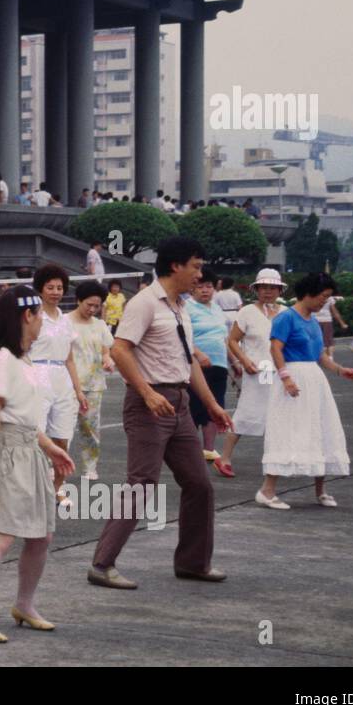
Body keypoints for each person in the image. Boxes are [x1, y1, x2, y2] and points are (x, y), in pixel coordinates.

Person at [88, 236, 231, 590]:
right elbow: (120, 351)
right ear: (175, 266)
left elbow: (188, 361)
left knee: (199, 485)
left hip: (178, 404)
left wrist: (212, 405)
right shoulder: (144, 303)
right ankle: (102, 564)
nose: (200, 275)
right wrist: (147, 393)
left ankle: (193, 562)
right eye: (195, 267)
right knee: (142, 484)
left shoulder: (179, 306)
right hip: (149, 405)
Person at [0, 287, 74, 642]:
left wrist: (50, 447)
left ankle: (25, 604)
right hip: (6, 452)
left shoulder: (24, 362)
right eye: (39, 314)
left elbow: (24, 417)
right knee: (2, 536)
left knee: (42, 534)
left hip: (29, 451)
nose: (42, 321)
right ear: (27, 316)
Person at [256, 273, 353, 510]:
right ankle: (267, 490)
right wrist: (285, 377)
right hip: (293, 379)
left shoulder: (313, 321)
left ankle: (321, 489)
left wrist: (340, 370)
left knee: (321, 428)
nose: (325, 302)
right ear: (309, 293)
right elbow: (275, 348)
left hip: (314, 380)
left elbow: (320, 355)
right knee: (288, 430)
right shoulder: (286, 318)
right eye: (323, 297)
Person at [25, 264, 90, 507]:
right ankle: (34, 490)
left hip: (61, 378)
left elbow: (70, 358)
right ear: (40, 289)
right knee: (36, 436)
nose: (55, 292)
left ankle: (57, 488)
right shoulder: (32, 315)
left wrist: (78, 390)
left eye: (60, 288)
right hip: (37, 375)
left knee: (62, 438)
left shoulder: (65, 320)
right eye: (50, 287)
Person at [215, 268, 285, 478]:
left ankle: (275, 458)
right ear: (256, 289)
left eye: (272, 287)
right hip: (258, 369)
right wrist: (244, 361)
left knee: (277, 413)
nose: (268, 291)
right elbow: (232, 340)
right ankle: (225, 457)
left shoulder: (285, 313)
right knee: (248, 411)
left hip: (280, 370)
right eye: (263, 287)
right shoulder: (246, 312)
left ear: (279, 290)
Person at [67, 280, 114, 481]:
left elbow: (106, 351)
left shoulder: (100, 325)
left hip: (94, 385)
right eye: (89, 305)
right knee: (63, 426)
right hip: (68, 382)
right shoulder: (65, 322)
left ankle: (90, 467)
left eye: (97, 306)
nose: (92, 309)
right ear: (79, 300)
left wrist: (107, 359)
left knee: (90, 428)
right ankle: (56, 464)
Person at [187, 268, 231, 463]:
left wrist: (234, 361)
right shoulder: (186, 307)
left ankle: (209, 449)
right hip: (195, 365)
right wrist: (198, 353)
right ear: (192, 289)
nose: (205, 290)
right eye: (200, 286)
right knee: (195, 405)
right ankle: (189, 449)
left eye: (209, 286)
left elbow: (224, 337)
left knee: (216, 406)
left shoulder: (216, 308)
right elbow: (182, 337)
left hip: (219, 363)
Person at [313, 289, 348, 361]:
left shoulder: (313, 295)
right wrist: (342, 323)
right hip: (326, 320)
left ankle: (323, 358)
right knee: (329, 341)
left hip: (315, 320)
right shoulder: (329, 298)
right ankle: (330, 358)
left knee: (318, 340)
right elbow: (335, 312)